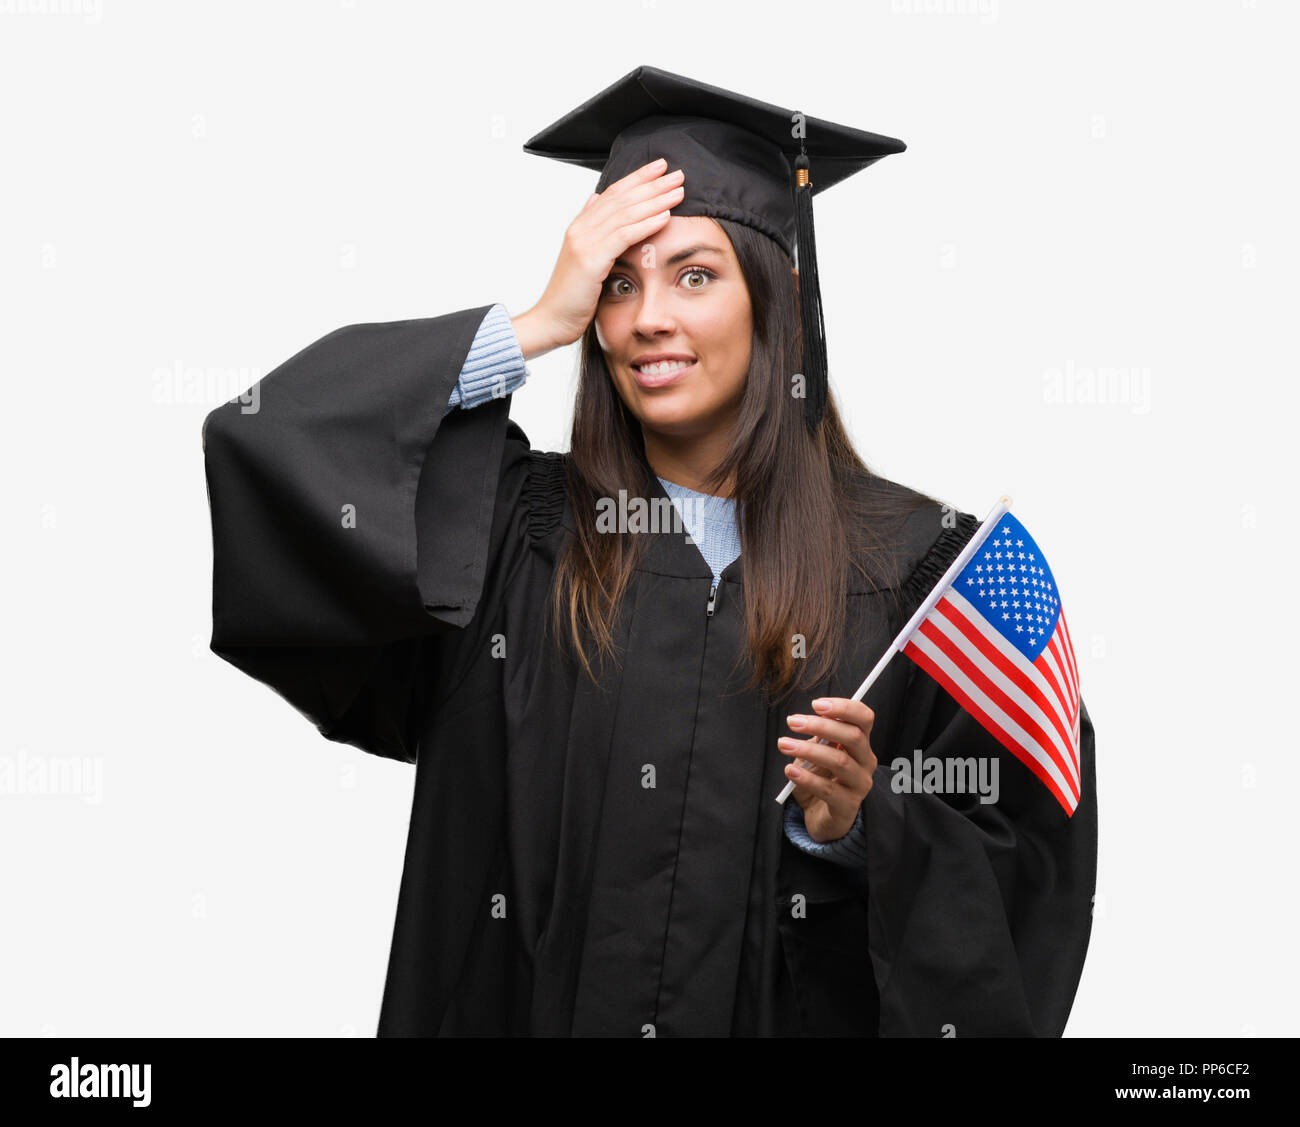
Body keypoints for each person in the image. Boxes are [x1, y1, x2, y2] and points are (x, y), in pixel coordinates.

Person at [201, 66, 1097, 1037]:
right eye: (617, 282)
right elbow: (268, 440)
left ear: (777, 295)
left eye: (694, 274)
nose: (645, 318)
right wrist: (537, 321)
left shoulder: (923, 570)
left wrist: (860, 829)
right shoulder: (510, 535)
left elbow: (1030, 870)